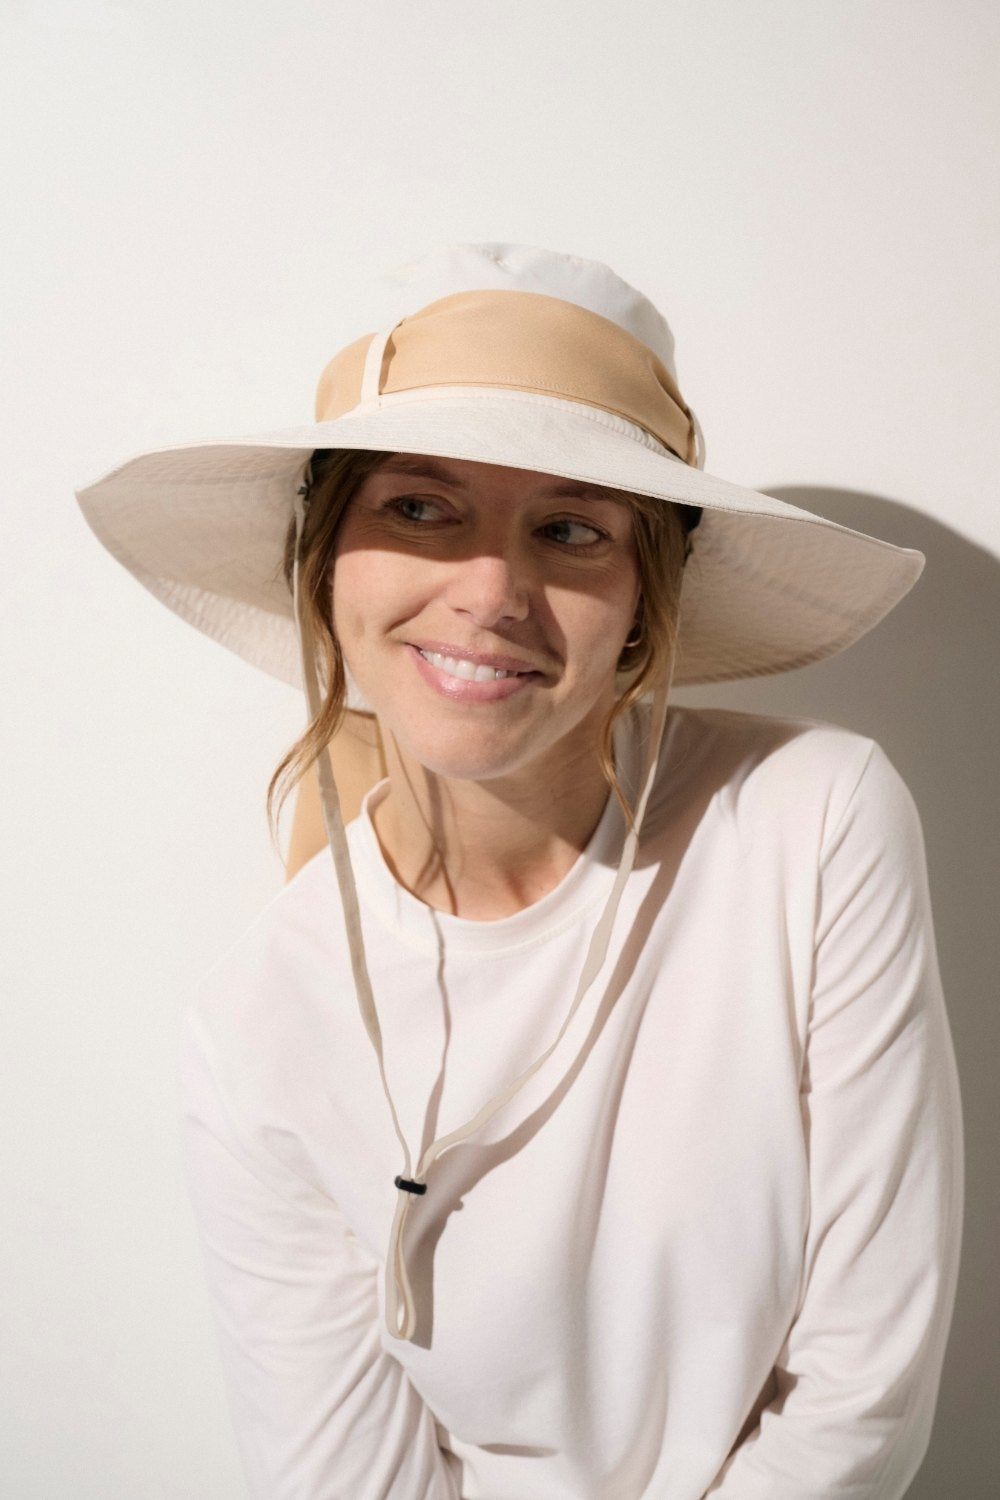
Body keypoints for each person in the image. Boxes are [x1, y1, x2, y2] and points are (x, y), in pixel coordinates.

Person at [76, 244, 963, 1499]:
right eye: (418, 509)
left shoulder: (809, 821)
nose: (492, 591)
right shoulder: (258, 1022)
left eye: (570, 529)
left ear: (645, 603)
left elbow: (862, 1397)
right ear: (324, 564)